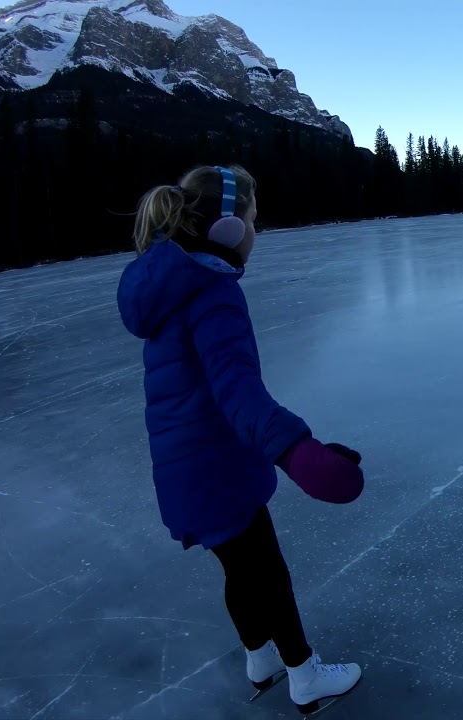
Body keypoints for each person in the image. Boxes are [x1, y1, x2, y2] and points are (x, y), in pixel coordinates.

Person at [117, 165, 364, 714]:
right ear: (227, 227)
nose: (259, 228)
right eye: (254, 218)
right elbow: (238, 392)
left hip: (186, 469)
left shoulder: (168, 286)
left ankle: (260, 658)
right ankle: (305, 675)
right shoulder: (211, 292)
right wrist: (303, 455)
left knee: (239, 570)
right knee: (267, 573)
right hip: (218, 469)